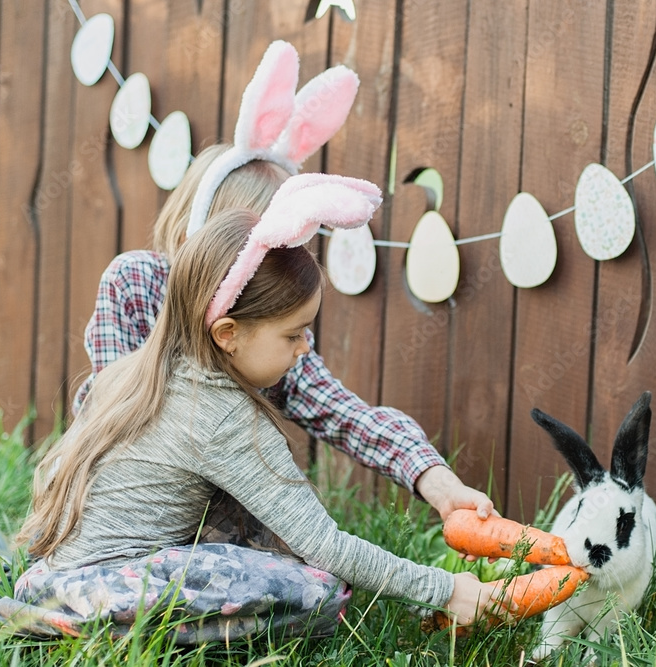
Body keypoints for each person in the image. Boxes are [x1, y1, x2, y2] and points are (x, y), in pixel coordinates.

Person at [0, 176, 505, 641]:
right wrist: (444, 589)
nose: (306, 349)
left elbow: (348, 416)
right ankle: (72, 627)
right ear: (228, 334)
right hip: (103, 589)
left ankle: (63, 611)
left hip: (62, 574)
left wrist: (433, 480)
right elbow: (325, 545)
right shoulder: (222, 416)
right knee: (318, 590)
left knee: (275, 552)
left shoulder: (151, 367)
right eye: (295, 334)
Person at [72, 143, 496, 530]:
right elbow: (109, 415)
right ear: (198, 236)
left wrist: (435, 480)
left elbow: (346, 414)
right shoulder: (137, 284)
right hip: (122, 515)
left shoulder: (267, 330)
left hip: (220, 524)